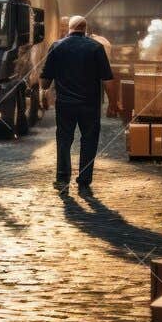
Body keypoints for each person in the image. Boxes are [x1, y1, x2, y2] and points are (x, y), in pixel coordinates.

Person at [39, 15, 113, 194]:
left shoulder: (57, 47)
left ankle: (62, 180)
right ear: (85, 29)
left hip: (65, 104)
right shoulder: (96, 47)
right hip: (90, 104)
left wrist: (44, 91)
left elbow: (45, 81)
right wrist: (113, 102)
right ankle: (84, 182)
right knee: (89, 141)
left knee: (64, 140)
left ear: (69, 29)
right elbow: (107, 79)